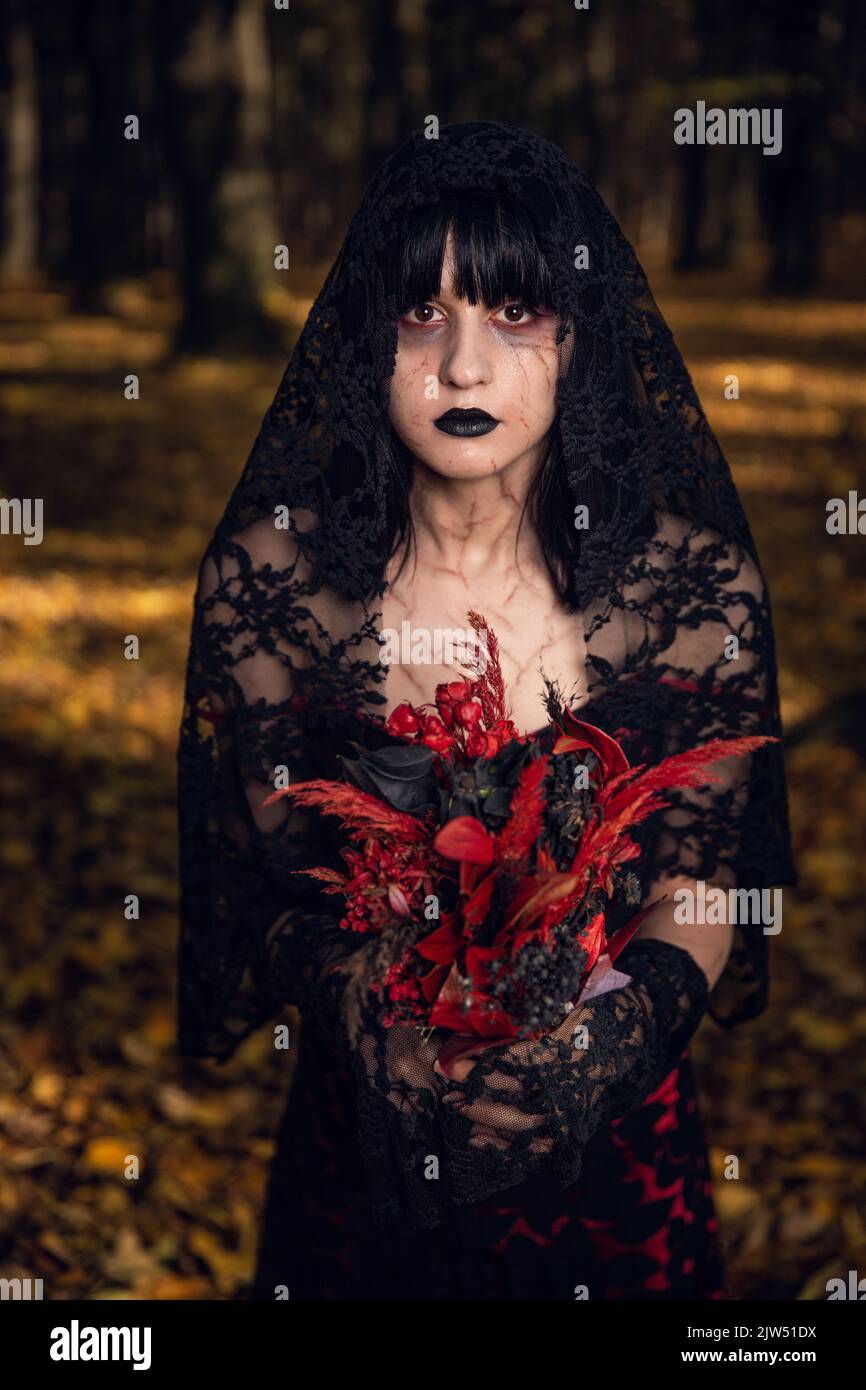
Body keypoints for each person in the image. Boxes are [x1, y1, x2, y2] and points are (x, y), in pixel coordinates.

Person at [175, 121, 797, 1300]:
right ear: (368, 340)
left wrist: (603, 1045)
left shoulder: (689, 587)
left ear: (574, 333)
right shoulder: (272, 586)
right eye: (421, 314)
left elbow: (704, 880)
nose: (462, 367)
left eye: (512, 312)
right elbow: (262, 886)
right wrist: (366, 1010)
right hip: (364, 1169)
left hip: (618, 1174)